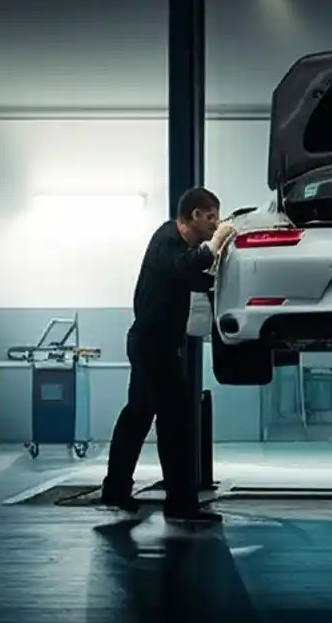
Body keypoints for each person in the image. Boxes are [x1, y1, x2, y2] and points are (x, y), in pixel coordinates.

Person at [100, 186, 236, 523]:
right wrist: (215, 245)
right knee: (169, 422)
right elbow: (184, 266)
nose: (213, 224)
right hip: (152, 346)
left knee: (143, 416)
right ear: (193, 216)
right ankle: (178, 503)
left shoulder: (176, 246)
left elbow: (193, 278)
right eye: (210, 218)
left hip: (155, 345)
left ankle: (119, 490)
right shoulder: (166, 240)